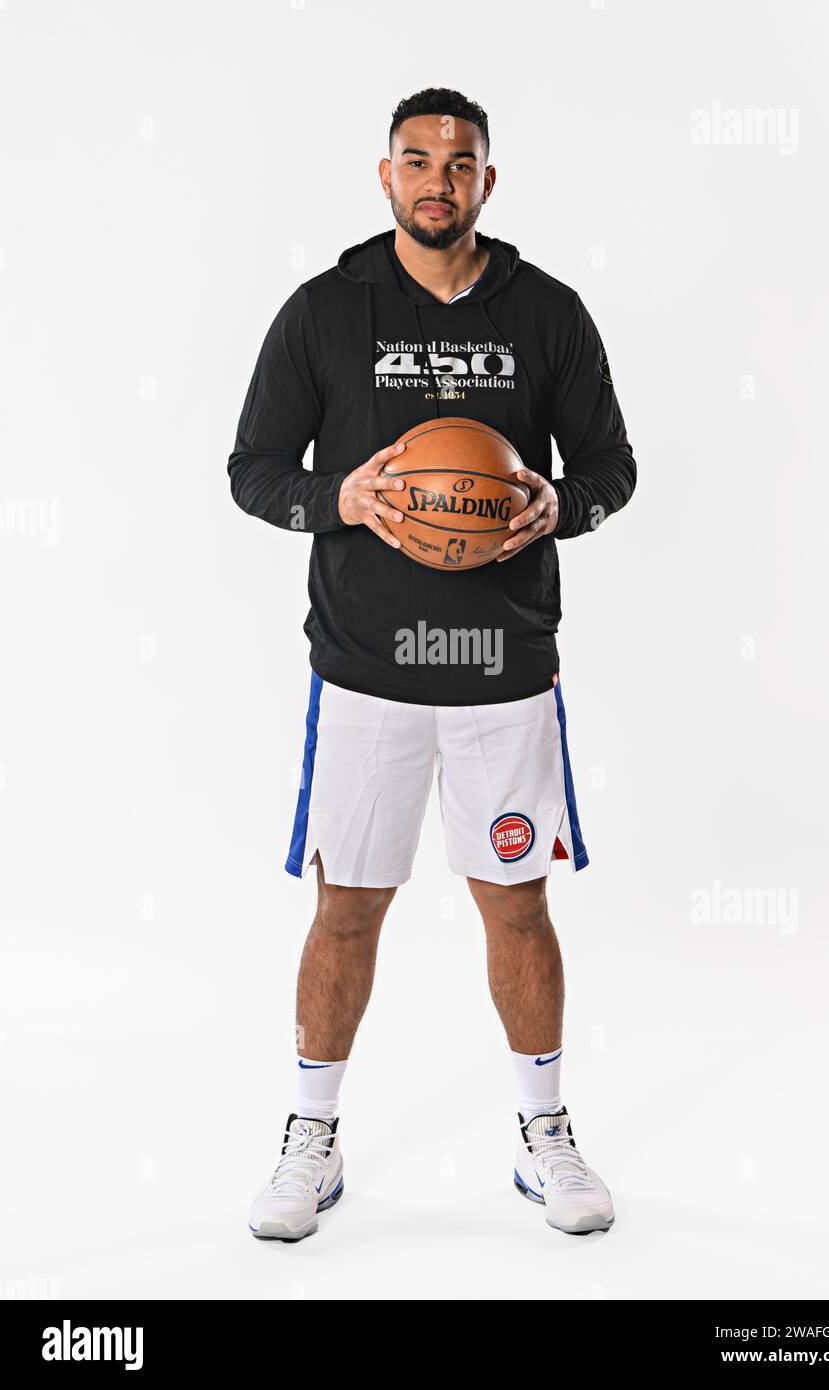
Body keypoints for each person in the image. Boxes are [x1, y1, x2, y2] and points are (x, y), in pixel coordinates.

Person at [228, 87, 637, 1241]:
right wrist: (336, 495)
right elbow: (253, 467)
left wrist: (563, 503)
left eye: (459, 163)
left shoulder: (546, 311)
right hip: (362, 670)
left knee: (515, 904)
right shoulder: (324, 309)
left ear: (487, 182)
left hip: (504, 670)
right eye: (416, 160)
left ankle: (544, 1133)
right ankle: (312, 1134)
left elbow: (612, 465)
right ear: (385, 175)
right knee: (347, 907)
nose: (437, 180)